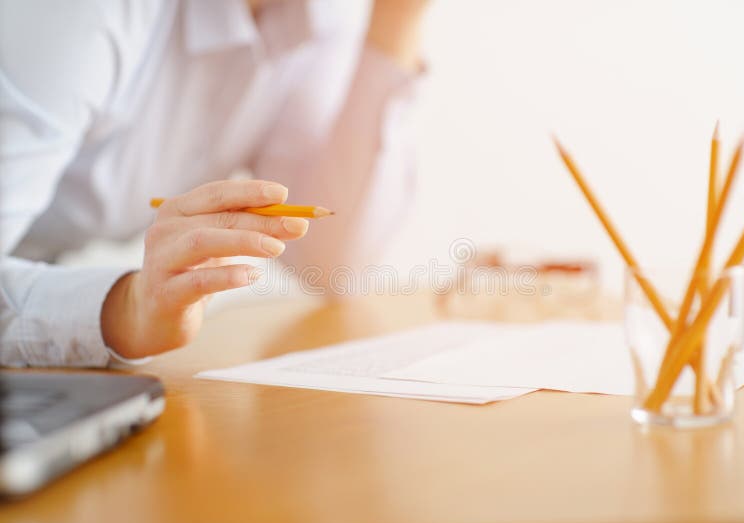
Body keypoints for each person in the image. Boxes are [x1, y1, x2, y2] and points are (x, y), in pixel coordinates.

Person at [0, 0, 428, 366]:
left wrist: (397, 22)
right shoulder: (86, 14)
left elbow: (333, 261)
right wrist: (125, 310)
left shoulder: (313, 19)